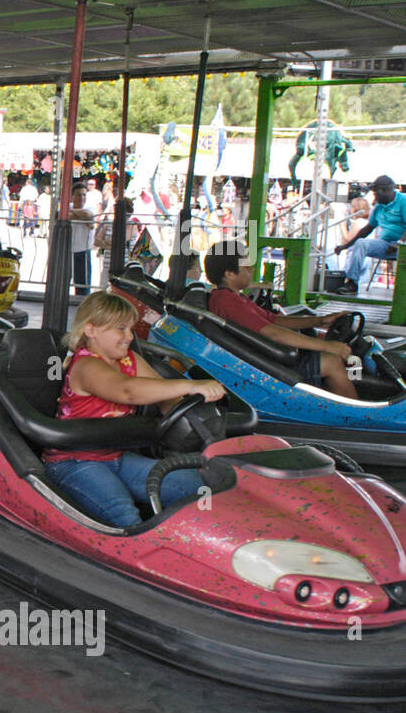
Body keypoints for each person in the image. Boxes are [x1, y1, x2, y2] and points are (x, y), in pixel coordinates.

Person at [42, 292, 227, 528]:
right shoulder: (86, 365)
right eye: (121, 329)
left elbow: (165, 396)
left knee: (195, 486)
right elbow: (126, 391)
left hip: (115, 456)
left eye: (130, 329)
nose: (129, 337)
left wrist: (192, 417)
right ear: (91, 330)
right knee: (123, 514)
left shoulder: (130, 361)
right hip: (74, 462)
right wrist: (192, 385)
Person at [205, 240, 357, 399]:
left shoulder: (235, 297)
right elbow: (273, 333)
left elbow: (273, 320)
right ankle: (359, 417)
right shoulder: (228, 301)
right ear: (229, 273)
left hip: (266, 355)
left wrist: (320, 321)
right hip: (262, 365)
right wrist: (326, 346)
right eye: (246, 267)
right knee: (332, 362)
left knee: (328, 356)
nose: (251, 269)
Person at [334, 176, 403, 295]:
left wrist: (399, 245)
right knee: (361, 243)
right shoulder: (379, 207)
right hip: (385, 244)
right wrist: (345, 246)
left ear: (385, 190)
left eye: (376, 194)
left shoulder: (403, 201)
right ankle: (352, 282)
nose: (374, 197)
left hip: (402, 245)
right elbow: (367, 230)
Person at [69, 183, 95, 296]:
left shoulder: (90, 207)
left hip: (83, 252)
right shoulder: (66, 207)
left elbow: (88, 215)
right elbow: (59, 214)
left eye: (84, 195)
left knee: (83, 288)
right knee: (61, 283)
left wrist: (71, 213)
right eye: (79, 195)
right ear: (72, 197)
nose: (82, 198)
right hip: (67, 252)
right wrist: (80, 216)